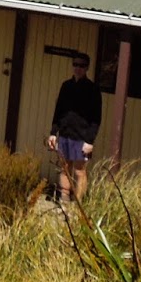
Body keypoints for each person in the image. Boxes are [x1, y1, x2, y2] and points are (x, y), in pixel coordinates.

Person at [47, 53, 101, 203]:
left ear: (87, 68)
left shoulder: (93, 89)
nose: (78, 68)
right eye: (75, 64)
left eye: (82, 65)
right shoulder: (66, 86)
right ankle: (63, 201)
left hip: (82, 138)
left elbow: (96, 118)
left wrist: (90, 141)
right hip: (64, 135)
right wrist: (53, 133)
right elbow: (58, 110)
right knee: (64, 168)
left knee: (79, 171)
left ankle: (78, 206)